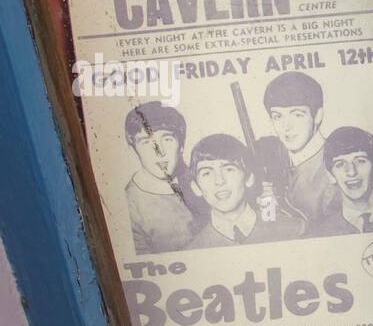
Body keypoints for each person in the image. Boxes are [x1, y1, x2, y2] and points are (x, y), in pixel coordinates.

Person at [186, 134, 303, 248]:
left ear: (249, 178)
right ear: (196, 188)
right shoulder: (191, 251)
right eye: (207, 173)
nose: (219, 181)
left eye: (229, 169)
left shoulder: (295, 230)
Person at [122, 102, 204, 254]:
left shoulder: (201, 179)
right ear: (134, 148)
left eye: (167, 139)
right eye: (146, 142)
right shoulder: (129, 204)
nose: (159, 152)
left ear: (181, 145)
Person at [262, 72, 340, 227]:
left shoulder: (337, 166)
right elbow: (269, 225)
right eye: (278, 116)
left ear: (318, 115)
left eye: (297, 115)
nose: (286, 127)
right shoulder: (277, 158)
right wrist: (268, 212)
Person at [312, 125, 373, 235]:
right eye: (340, 164)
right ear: (330, 175)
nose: (351, 172)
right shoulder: (321, 232)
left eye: (360, 161)